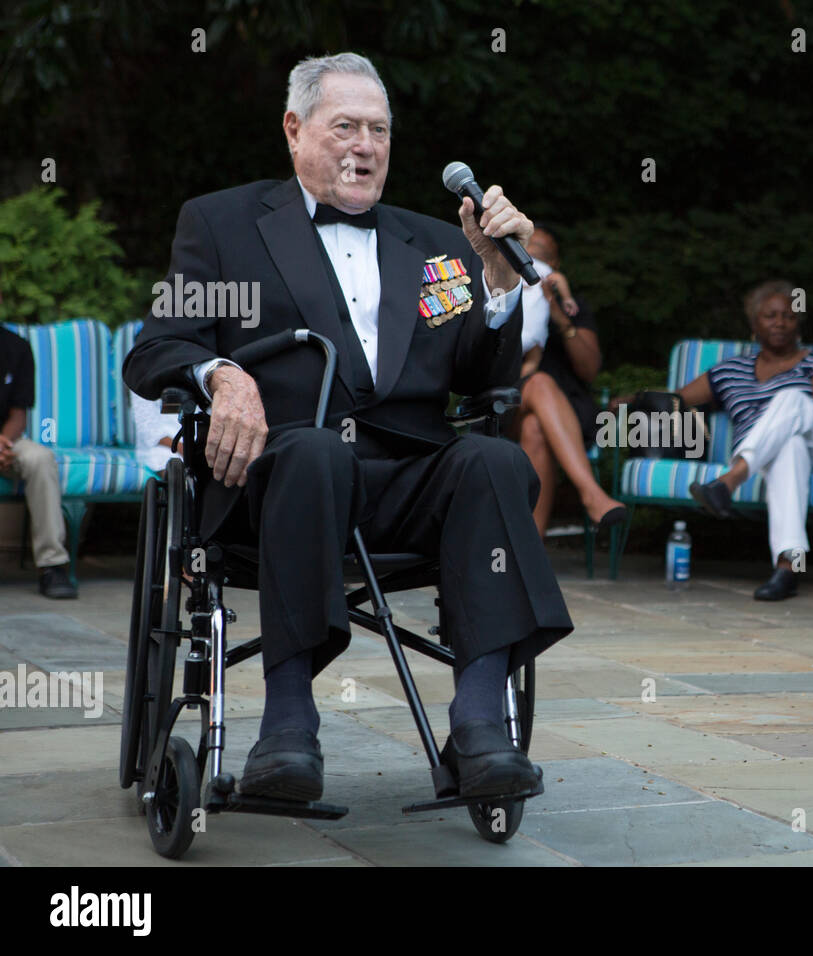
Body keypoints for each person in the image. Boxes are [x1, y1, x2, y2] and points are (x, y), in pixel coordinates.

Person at [124, 53, 573, 802]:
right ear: (295, 131)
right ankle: (288, 728)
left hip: (406, 477)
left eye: (380, 130)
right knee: (311, 454)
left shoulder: (434, 241)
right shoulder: (223, 223)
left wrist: (495, 283)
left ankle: (480, 723)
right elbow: (156, 350)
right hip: (278, 478)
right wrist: (222, 374)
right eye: (345, 127)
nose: (366, 145)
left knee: (492, 464)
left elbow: (480, 379)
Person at [679, 280, 813, 601]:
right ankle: (790, 567)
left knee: (792, 400)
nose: (780, 322)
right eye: (771, 316)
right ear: (754, 324)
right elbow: (675, 400)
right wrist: (626, 403)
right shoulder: (729, 370)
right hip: (778, 458)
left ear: (798, 324)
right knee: (788, 448)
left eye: (789, 316)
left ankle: (731, 480)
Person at [511, 225, 624, 537]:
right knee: (539, 382)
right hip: (504, 407)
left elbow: (589, 371)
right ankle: (591, 494)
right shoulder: (499, 292)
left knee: (536, 427)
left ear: (556, 266)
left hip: (569, 415)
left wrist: (560, 318)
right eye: (526, 249)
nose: (533, 257)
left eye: (543, 255)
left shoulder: (572, 306)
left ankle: (529, 550)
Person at [0, 327, 76, 598]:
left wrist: (2, 442)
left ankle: (52, 566)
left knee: (41, 459)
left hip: (6, 440)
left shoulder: (16, 347)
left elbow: (18, 415)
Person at [130, 391, 182, 474]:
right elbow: (149, 431)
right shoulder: (141, 384)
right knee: (172, 467)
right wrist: (184, 449)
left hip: (195, 445)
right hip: (162, 449)